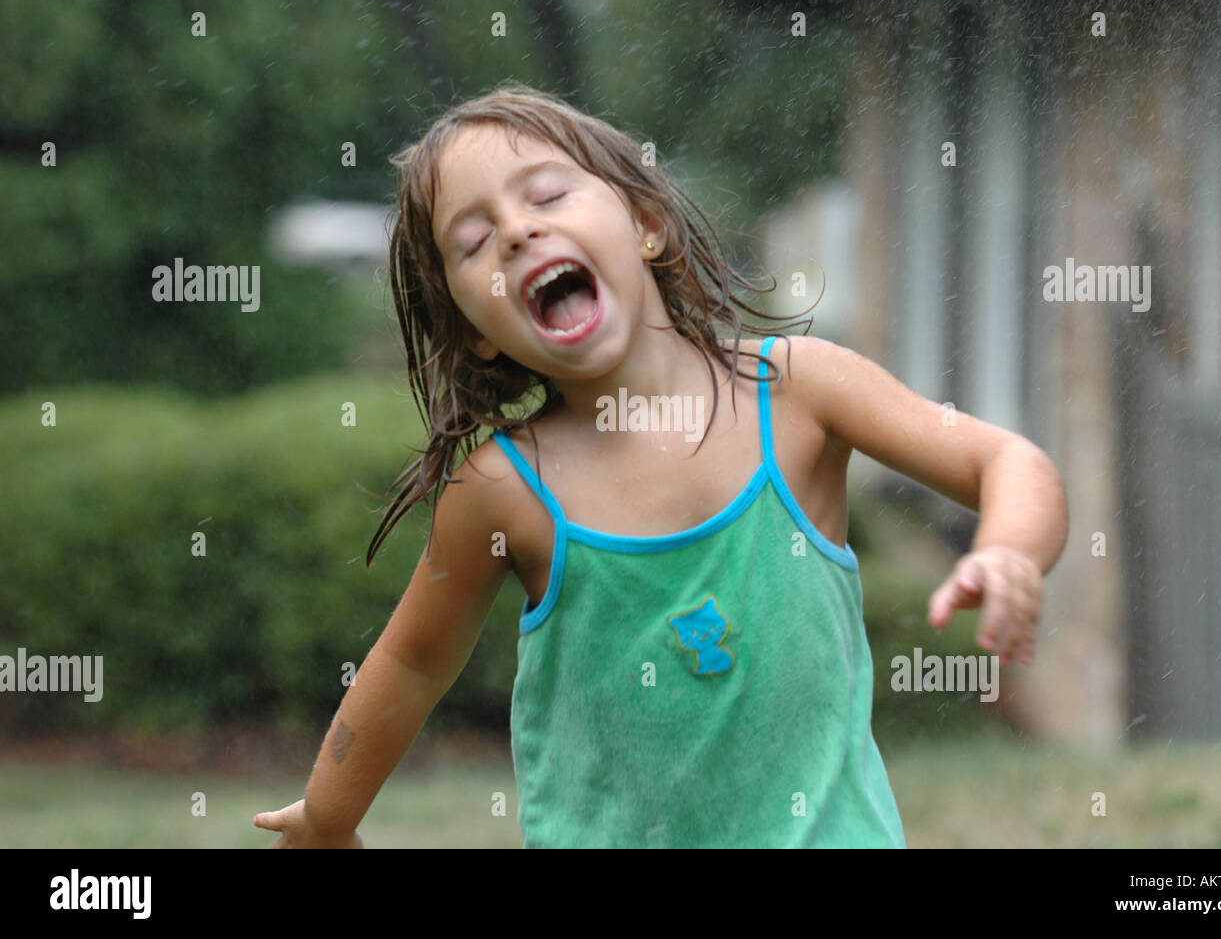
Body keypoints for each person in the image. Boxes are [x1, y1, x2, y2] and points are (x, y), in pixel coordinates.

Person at [254, 80, 1068, 849]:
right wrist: (328, 816)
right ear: (478, 332)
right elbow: (412, 661)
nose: (516, 230)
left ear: (648, 224)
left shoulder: (796, 394)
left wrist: (1008, 551)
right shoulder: (506, 491)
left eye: (547, 196)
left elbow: (1005, 460)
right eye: (473, 240)